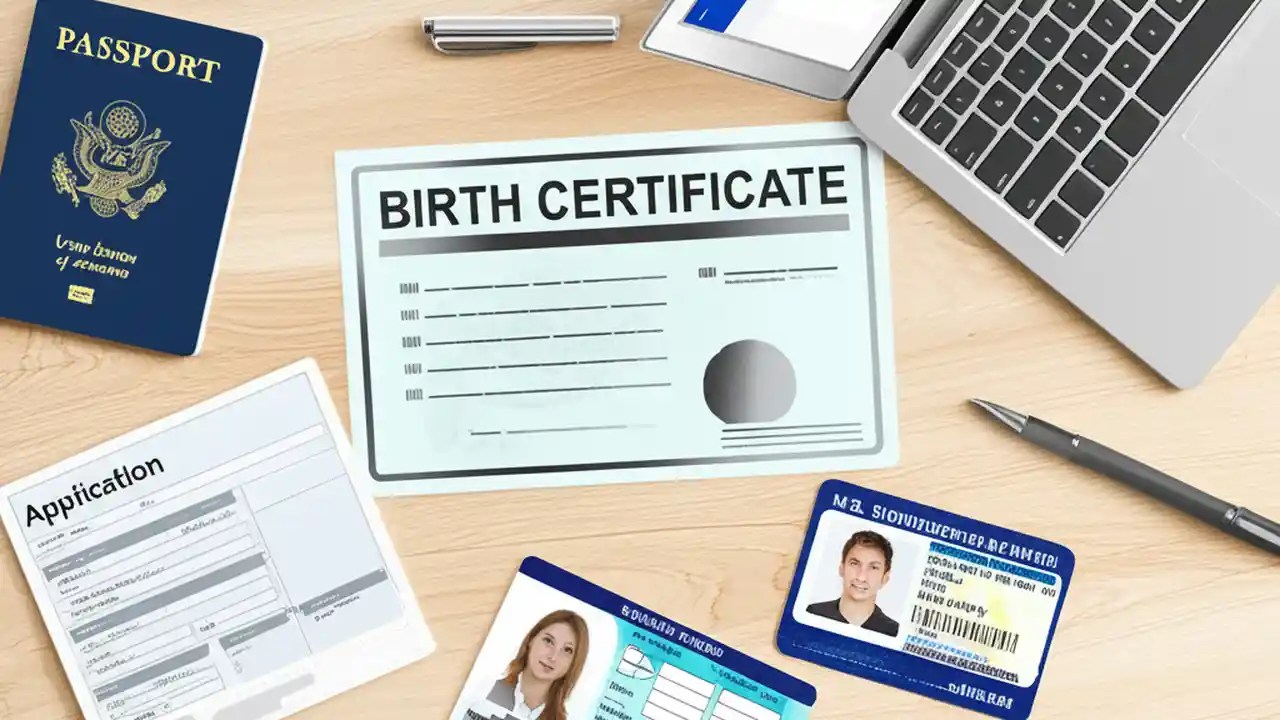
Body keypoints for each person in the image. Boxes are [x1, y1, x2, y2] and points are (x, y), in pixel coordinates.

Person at [481, 610, 590, 720]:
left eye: (567, 650)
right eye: (548, 641)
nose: (553, 657)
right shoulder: (483, 689)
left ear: (574, 662)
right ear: (531, 640)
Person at [806, 530, 900, 637]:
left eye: (873, 567)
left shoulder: (893, 632)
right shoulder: (813, 614)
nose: (861, 577)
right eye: (854, 564)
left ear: (885, 578)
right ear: (842, 568)